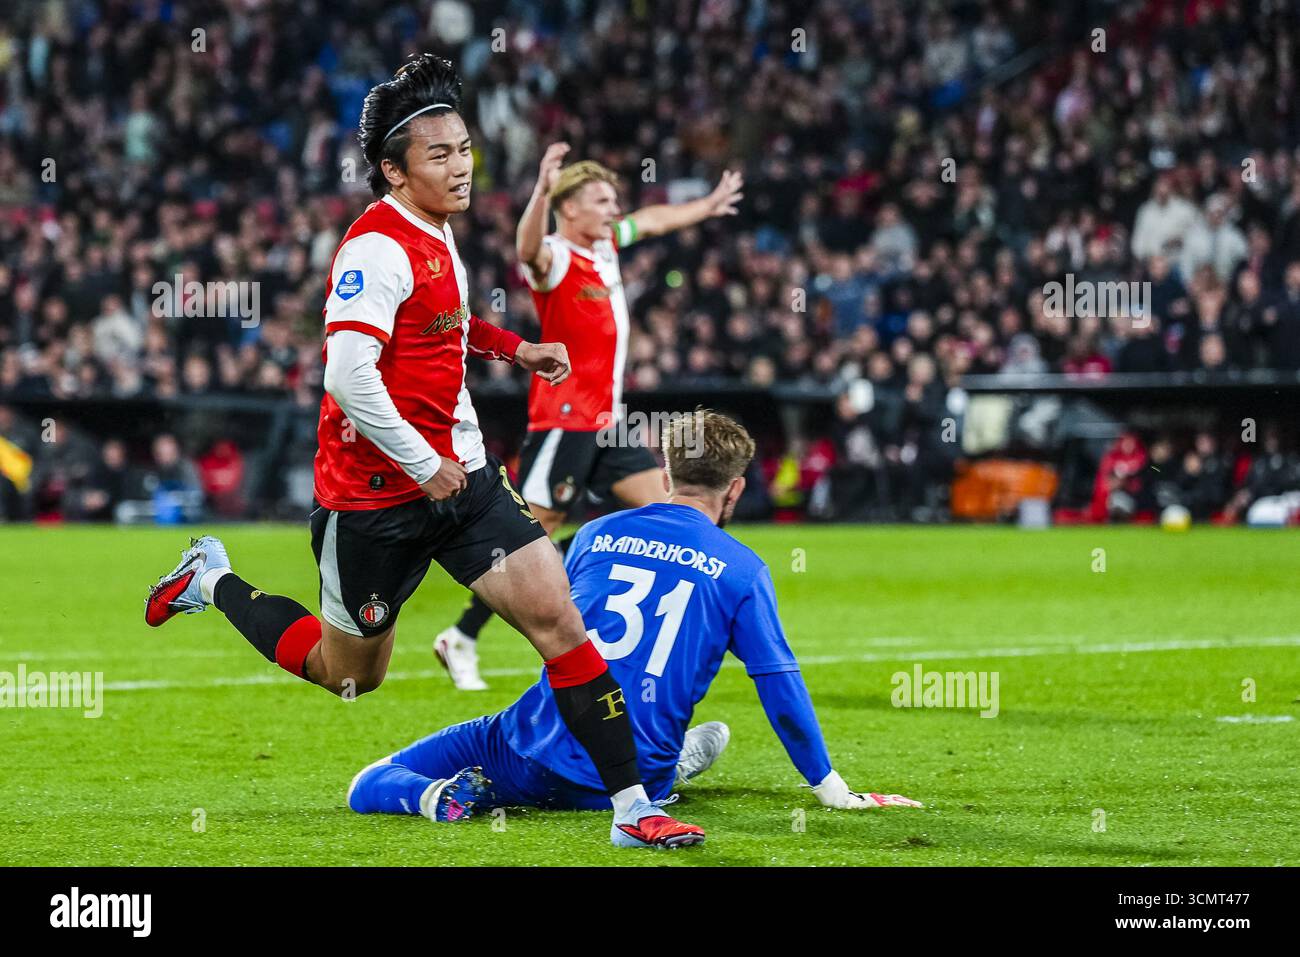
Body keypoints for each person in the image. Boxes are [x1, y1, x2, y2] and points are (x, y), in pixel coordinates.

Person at [144, 54, 703, 849]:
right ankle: (213, 577)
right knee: (350, 674)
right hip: (374, 500)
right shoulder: (374, 248)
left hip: (466, 482)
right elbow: (346, 370)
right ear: (393, 172)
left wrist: (518, 348)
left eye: (465, 148)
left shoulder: (437, 233)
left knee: (561, 624)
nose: (461, 166)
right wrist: (418, 461)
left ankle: (632, 810)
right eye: (439, 155)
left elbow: (448, 324)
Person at [349, 411, 920, 833]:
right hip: (626, 776)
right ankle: (664, 768)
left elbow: (562, 637)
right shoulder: (742, 571)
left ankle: (439, 799)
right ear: (737, 487)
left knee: (371, 780)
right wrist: (830, 788)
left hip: (531, 748)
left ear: (666, 469)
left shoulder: (597, 534)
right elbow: (778, 682)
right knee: (671, 723)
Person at [434, 143, 745, 690]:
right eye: (601, 200)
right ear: (569, 208)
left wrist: (707, 204)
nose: (612, 209)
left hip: (610, 422)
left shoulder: (605, 247)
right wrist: (539, 190)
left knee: (677, 515)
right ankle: (461, 636)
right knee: (526, 536)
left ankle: (697, 632)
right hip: (565, 421)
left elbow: (650, 221)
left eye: (613, 200)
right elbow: (526, 248)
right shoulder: (556, 257)